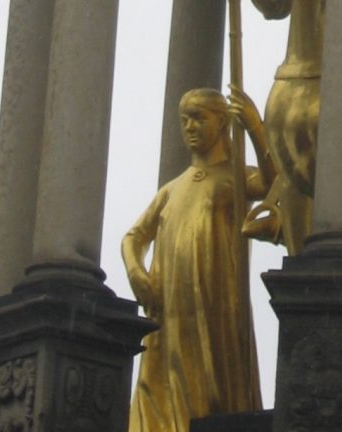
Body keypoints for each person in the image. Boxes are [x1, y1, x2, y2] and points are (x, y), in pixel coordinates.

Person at [121, 88, 271, 432]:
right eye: (184, 120)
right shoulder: (172, 189)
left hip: (214, 302)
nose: (189, 127)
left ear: (221, 124)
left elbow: (274, 182)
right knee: (162, 368)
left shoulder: (234, 176)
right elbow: (134, 237)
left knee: (213, 371)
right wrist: (136, 272)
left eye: (199, 118)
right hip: (169, 303)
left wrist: (255, 128)